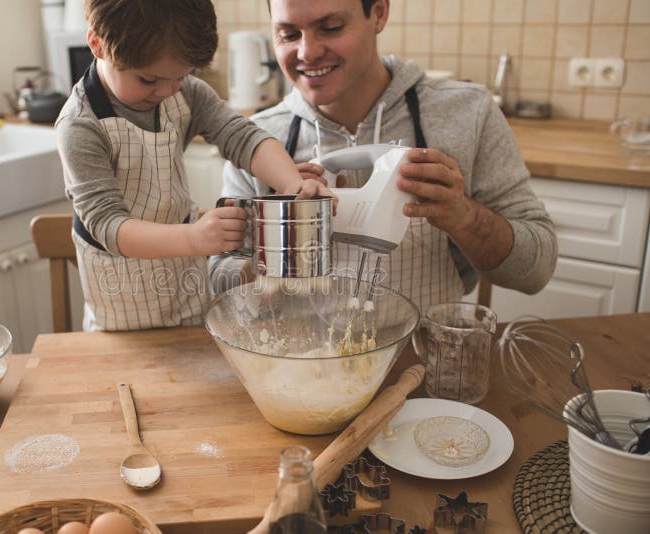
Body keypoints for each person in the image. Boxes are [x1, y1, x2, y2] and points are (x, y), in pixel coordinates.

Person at [210, 0, 558, 311]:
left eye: (330, 28)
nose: (307, 52)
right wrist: (277, 243)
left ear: (378, 13)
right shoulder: (257, 141)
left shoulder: (467, 113)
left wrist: (465, 217)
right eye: (288, 34)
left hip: (423, 361)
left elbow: (535, 273)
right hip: (299, 366)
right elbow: (218, 280)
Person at [57, 0, 332, 331]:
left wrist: (293, 184)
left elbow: (240, 136)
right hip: (120, 309)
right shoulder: (80, 127)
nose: (166, 91)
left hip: (187, 296)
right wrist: (195, 238)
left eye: (181, 76)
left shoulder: (185, 92)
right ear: (97, 44)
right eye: (147, 79)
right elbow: (107, 224)